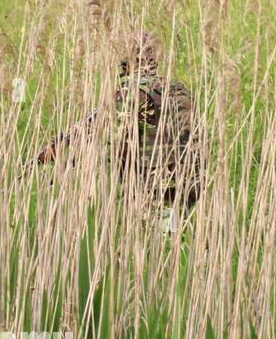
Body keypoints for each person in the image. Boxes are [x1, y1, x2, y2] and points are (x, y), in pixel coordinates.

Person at [37, 31, 201, 221]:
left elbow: (108, 138)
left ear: (126, 62)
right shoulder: (180, 89)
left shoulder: (130, 92)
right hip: (191, 184)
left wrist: (64, 153)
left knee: (153, 240)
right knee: (178, 240)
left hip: (156, 187)